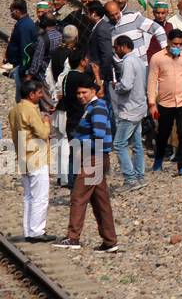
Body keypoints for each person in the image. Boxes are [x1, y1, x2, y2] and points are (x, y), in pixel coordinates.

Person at [55, 81, 118, 251]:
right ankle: (110, 241)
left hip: (94, 157)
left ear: (92, 91)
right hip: (95, 156)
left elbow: (98, 134)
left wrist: (79, 141)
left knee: (78, 196)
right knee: (100, 201)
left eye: (84, 92)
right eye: (78, 93)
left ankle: (73, 237)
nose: (80, 96)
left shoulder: (96, 108)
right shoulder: (93, 107)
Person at [148, 28, 182, 176]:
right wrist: (152, 103)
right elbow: (152, 81)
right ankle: (158, 160)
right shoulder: (157, 58)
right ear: (169, 42)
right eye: (175, 44)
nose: (177, 47)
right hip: (165, 103)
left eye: (180, 44)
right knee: (163, 134)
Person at [9, 80, 53, 241]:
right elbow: (42, 133)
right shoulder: (30, 110)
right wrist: (46, 123)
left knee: (29, 196)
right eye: (39, 92)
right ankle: (37, 232)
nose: (41, 95)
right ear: (31, 94)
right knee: (40, 196)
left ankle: (29, 230)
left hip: (23, 156)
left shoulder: (14, 110)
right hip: (36, 156)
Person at [108, 35, 148, 188]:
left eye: (116, 48)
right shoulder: (138, 60)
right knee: (137, 144)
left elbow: (126, 85)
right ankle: (139, 175)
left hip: (129, 110)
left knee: (119, 144)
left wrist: (116, 85)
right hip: (139, 106)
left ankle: (130, 179)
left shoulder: (128, 62)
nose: (115, 51)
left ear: (124, 46)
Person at [7, 0, 38, 101]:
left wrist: (24, 70)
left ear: (17, 11)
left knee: (20, 98)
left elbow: (26, 50)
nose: (11, 13)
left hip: (21, 67)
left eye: (11, 10)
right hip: (19, 65)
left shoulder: (24, 26)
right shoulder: (24, 23)